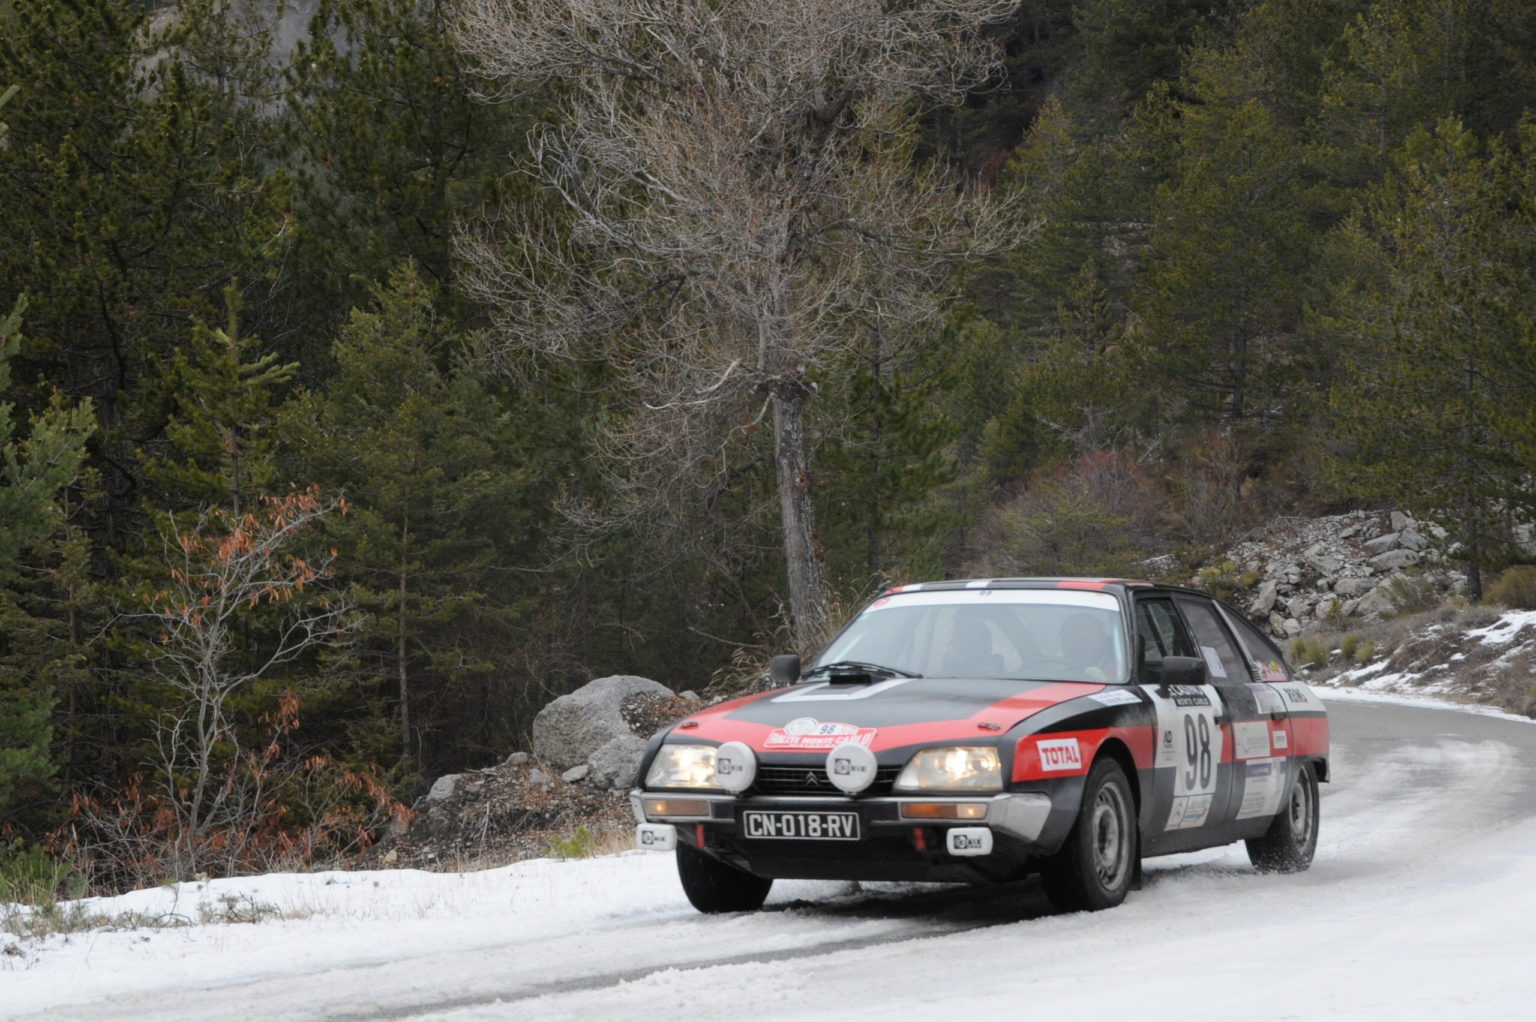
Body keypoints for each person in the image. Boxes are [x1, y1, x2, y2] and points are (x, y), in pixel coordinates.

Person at [1059, 612, 1119, 682]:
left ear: (1100, 639)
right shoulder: (1055, 669)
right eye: (1065, 637)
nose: (1070, 644)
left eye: (1077, 636)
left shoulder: (1118, 668)